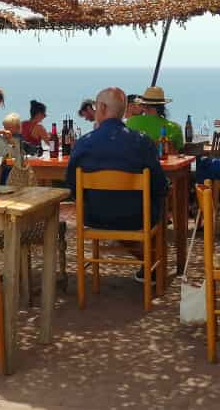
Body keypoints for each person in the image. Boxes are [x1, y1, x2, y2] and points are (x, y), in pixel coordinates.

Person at [67, 88, 167, 280]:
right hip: (136, 217)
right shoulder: (142, 142)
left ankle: (148, 263)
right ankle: (153, 265)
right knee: (159, 198)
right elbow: (159, 184)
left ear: (102, 108)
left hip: (93, 217)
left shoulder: (84, 143)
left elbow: (71, 184)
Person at [126, 85, 184, 150]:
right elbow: (180, 152)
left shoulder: (131, 122)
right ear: (163, 106)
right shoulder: (176, 128)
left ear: (144, 106)